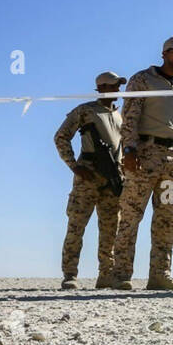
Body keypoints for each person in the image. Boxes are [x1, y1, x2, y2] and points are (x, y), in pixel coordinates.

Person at [111, 37, 173, 291]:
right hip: (144, 155)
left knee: (166, 218)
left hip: (172, 162)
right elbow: (129, 117)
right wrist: (129, 150)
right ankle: (120, 274)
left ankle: (160, 274)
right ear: (165, 53)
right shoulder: (142, 80)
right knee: (131, 215)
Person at [54, 71, 127, 289]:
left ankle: (106, 275)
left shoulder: (120, 115)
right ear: (102, 87)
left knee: (110, 228)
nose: (118, 90)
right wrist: (74, 165)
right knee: (77, 225)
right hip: (88, 175)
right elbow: (61, 136)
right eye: (114, 86)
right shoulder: (85, 111)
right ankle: (70, 274)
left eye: (118, 86)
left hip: (113, 177)